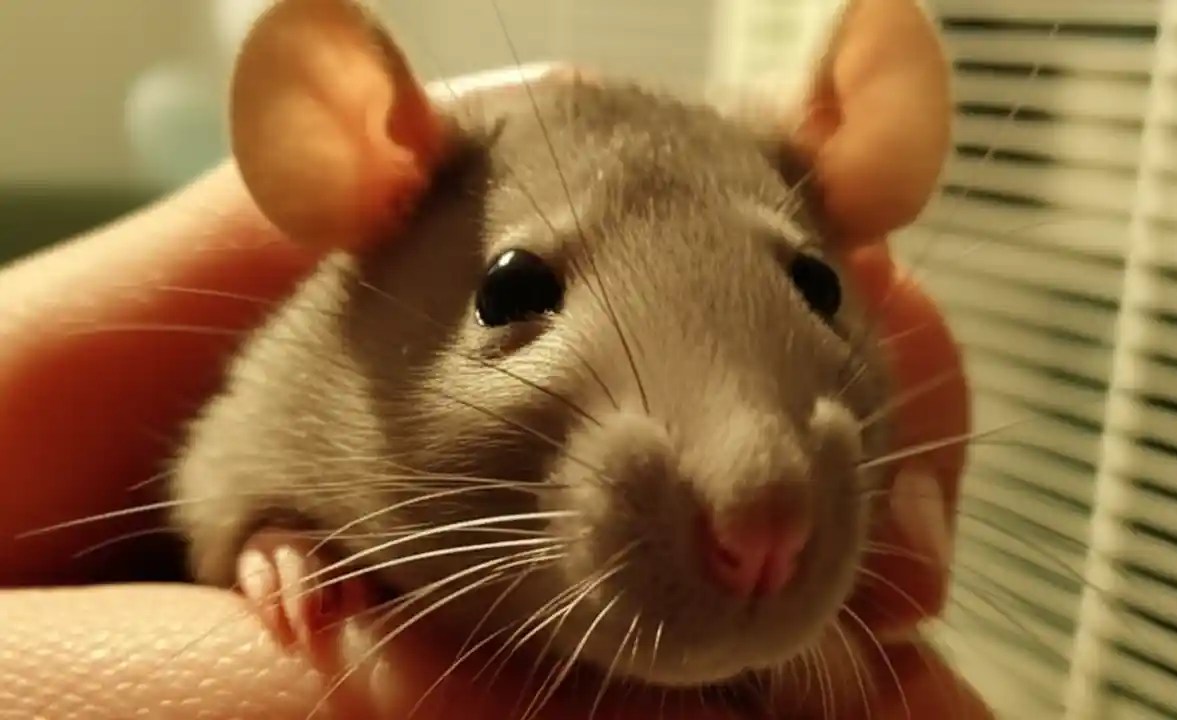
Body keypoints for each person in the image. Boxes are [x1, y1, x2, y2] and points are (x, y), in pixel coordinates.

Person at [0, 64, 989, 719]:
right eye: (521, 291)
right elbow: (221, 467)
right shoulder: (372, 261)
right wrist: (262, 537)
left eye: (810, 287)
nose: (757, 501)